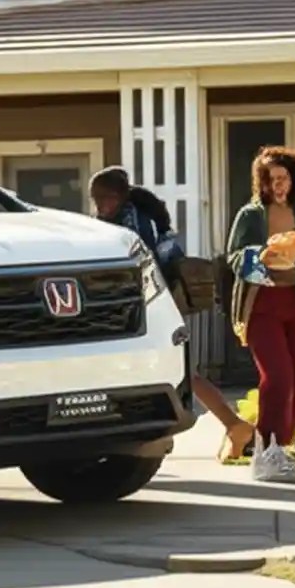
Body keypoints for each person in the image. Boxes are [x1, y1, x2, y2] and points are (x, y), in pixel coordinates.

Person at [89, 167, 256, 462]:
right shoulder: (133, 219)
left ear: (122, 195)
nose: (101, 205)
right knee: (170, 374)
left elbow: (139, 271)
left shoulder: (133, 224)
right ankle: (228, 427)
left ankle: (231, 427)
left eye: (107, 198)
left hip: (149, 310)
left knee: (172, 375)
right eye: (96, 199)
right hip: (152, 308)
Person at [225, 146, 295, 483]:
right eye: (272, 180)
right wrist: (263, 259)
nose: (278, 185)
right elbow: (235, 256)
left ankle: (279, 451)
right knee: (278, 377)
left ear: (293, 179)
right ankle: (265, 453)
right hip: (261, 305)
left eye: (283, 178)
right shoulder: (251, 214)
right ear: (263, 183)